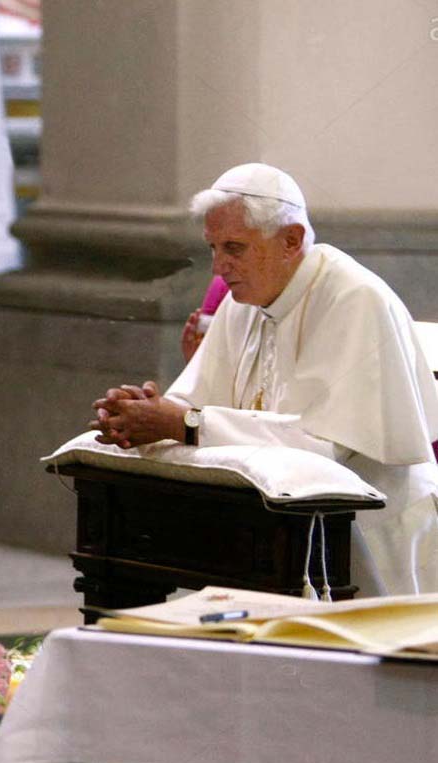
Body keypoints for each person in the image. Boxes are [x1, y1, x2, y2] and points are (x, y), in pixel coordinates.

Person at [90, 162, 438, 595]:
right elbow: (190, 403)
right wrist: (140, 415)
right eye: (213, 247)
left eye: (234, 247)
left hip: (368, 533)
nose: (219, 267)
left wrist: (184, 424)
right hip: (270, 527)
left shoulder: (354, 299)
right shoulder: (245, 301)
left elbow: (325, 449)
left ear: (291, 240)